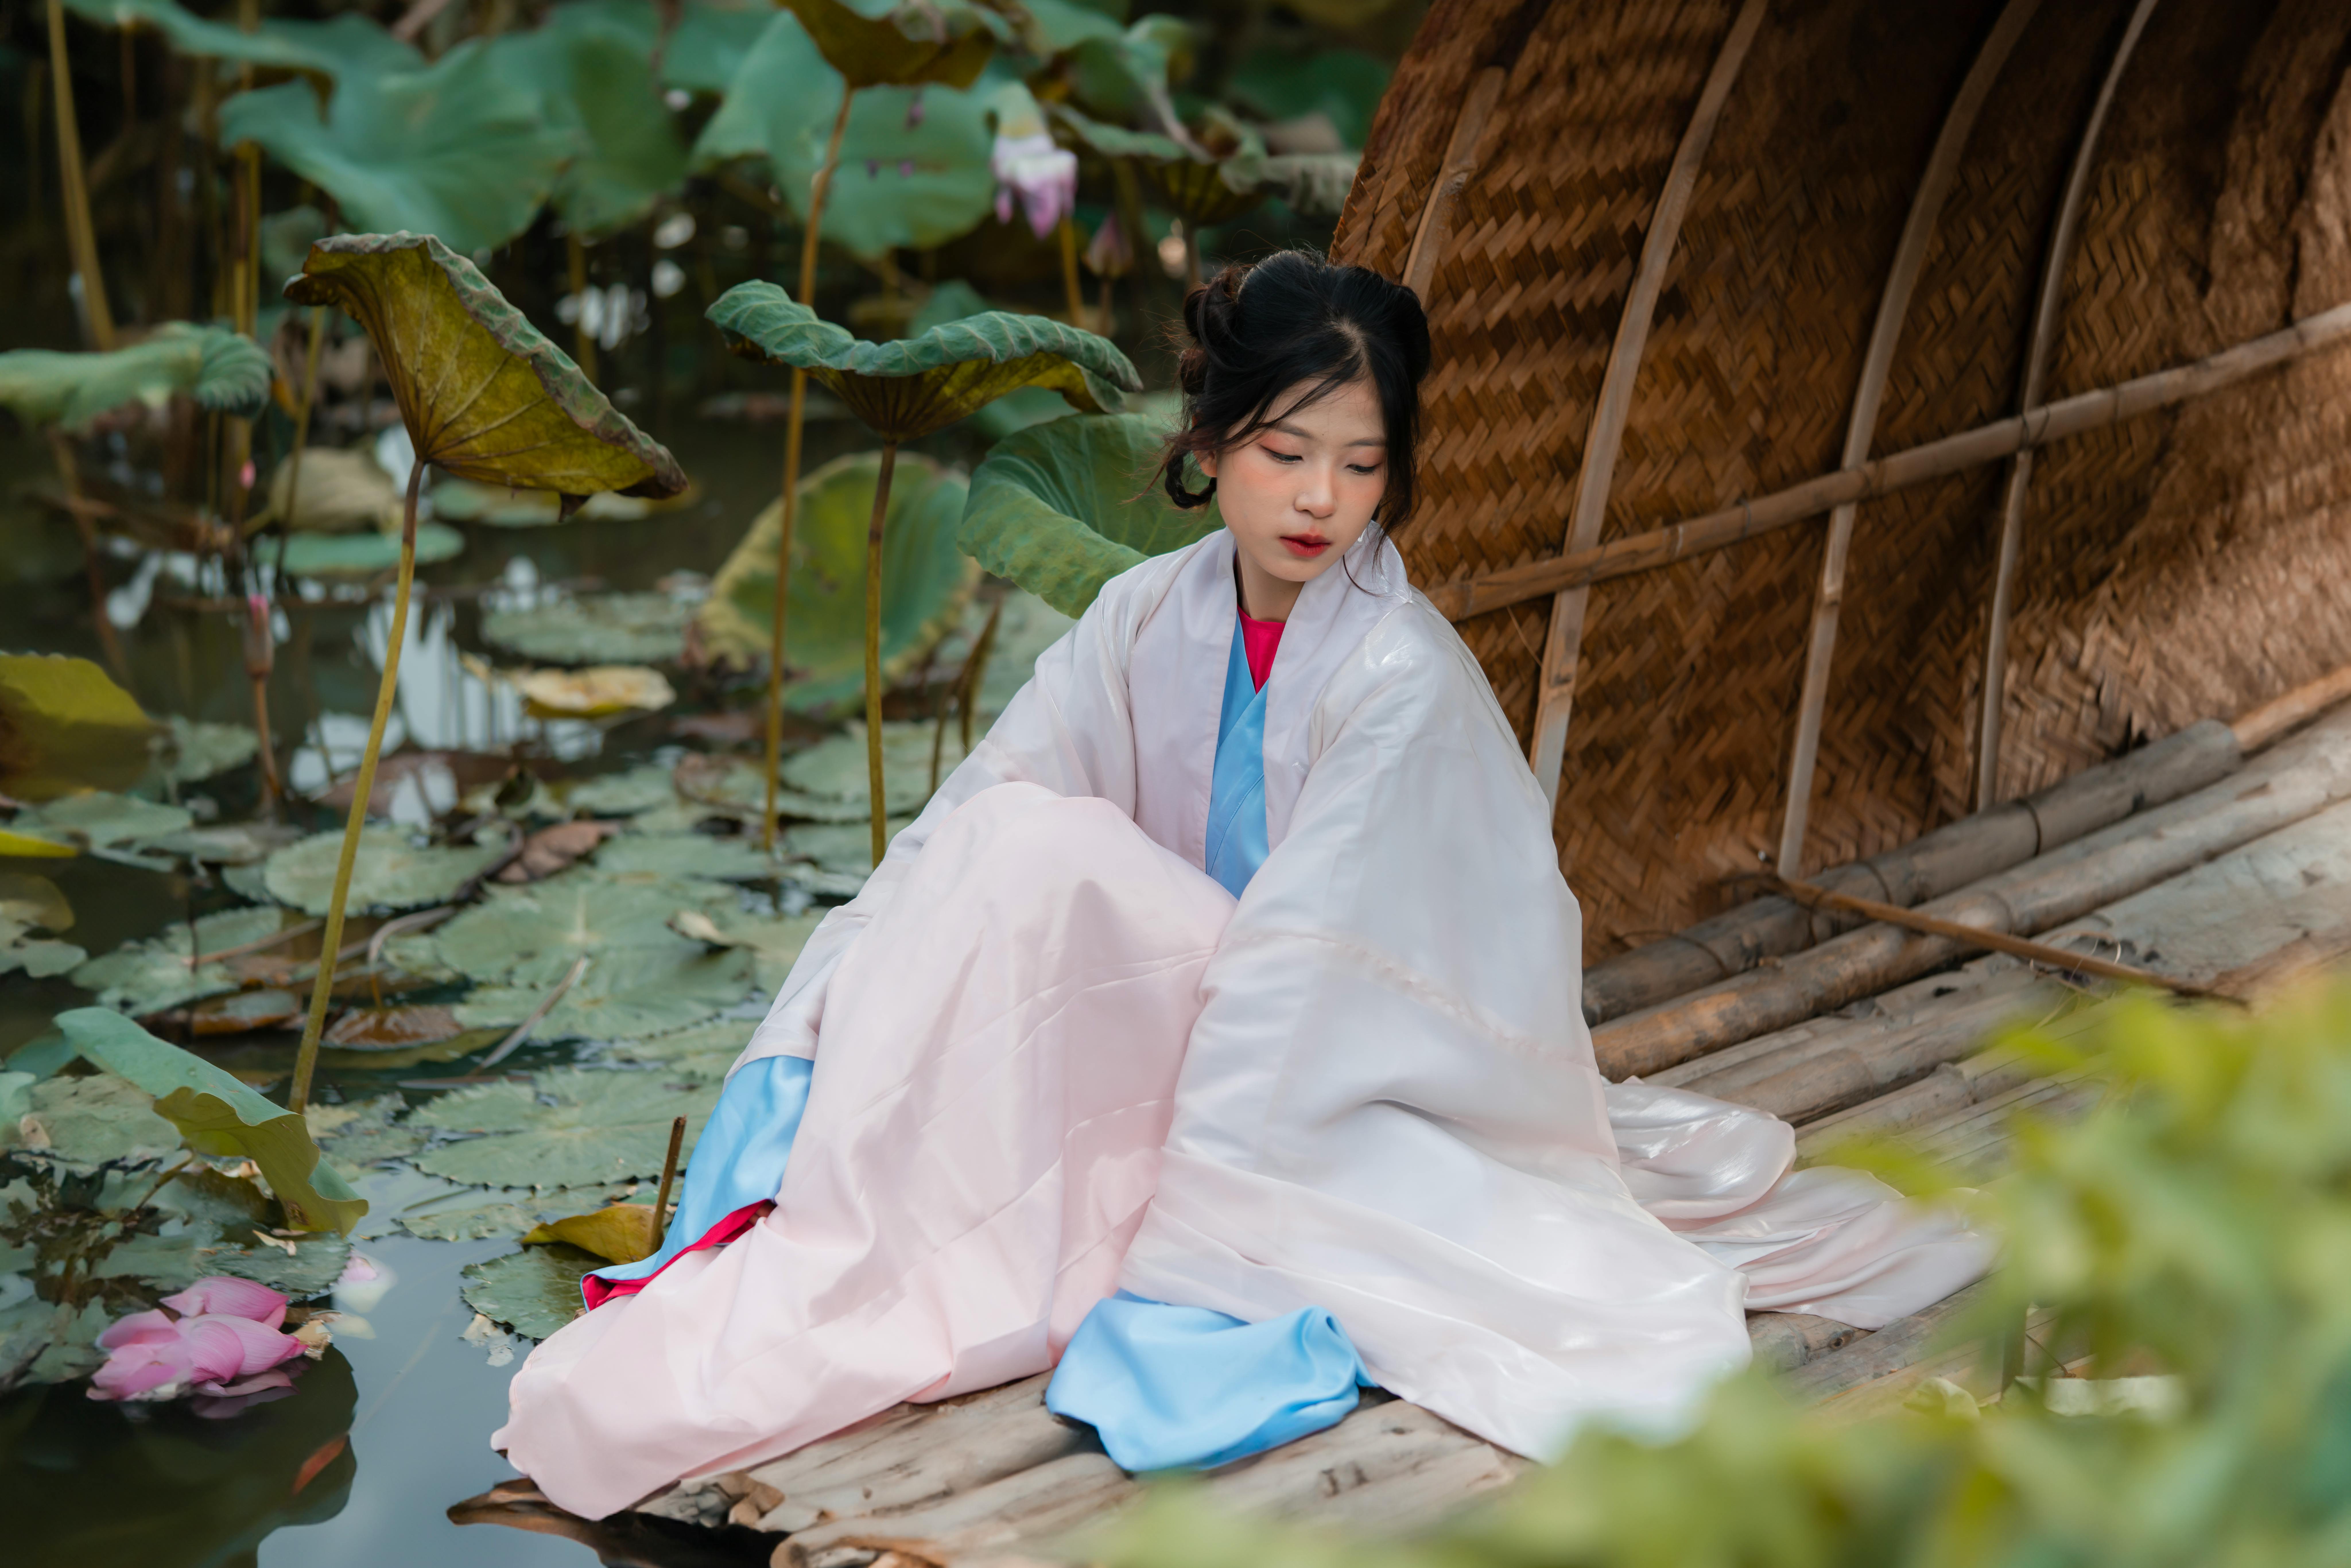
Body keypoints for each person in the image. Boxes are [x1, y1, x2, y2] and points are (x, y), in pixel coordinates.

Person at [496, 251, 1992, 1519]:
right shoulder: (1149, 610)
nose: (1320, 499)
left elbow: (1306, 969)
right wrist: (813, 1043)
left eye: (1361, 461)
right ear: (1210, 441)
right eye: (1286, 452)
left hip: (1332, 1072)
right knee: (1016, 842)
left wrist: (1192, 1276)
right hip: (1172, 1015)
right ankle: (865, 1210)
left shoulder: (1399, 676)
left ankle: (1122, 1224)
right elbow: (981, 813)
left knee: (1062, 864)